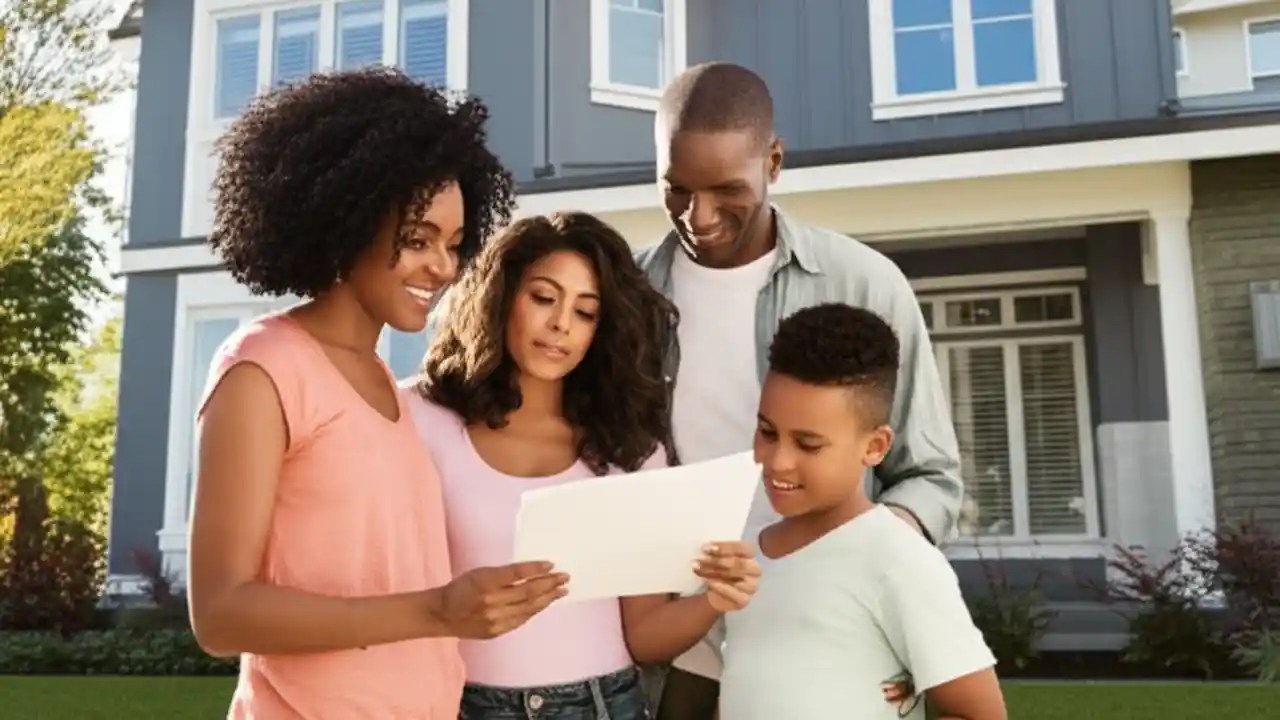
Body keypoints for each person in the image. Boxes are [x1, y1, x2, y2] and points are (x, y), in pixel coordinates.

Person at [187, 68, 569, 719]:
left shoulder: (392, 392)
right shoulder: (262, 370)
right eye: (417, 240)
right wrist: (436, 609)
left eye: (452, 245)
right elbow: (221, 615)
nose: (443, 268)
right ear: (348, 217)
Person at [636, 62, 966, 718]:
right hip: (684, 640)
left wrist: (861, 580)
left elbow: (930, 480)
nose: (697, 216)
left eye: (725, 189)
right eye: (676, 189)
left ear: (775, 162)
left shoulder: (866, 284)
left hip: (828, 639)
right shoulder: (627, 297)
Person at [405, 211, 762, 719]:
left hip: (601, 705)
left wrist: (715, 599)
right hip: (457, 703)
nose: (560, 325)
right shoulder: (420, 419)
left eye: (586, 311)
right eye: (544, 298)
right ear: (502, 296)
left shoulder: (629, 448)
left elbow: (644, 638)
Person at [719, 303, 1005, 720]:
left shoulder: (897, 559)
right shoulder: (750, 552)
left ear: (875, 447)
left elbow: (980, 714)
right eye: (767, 432)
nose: (778, 460)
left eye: (808, 444)